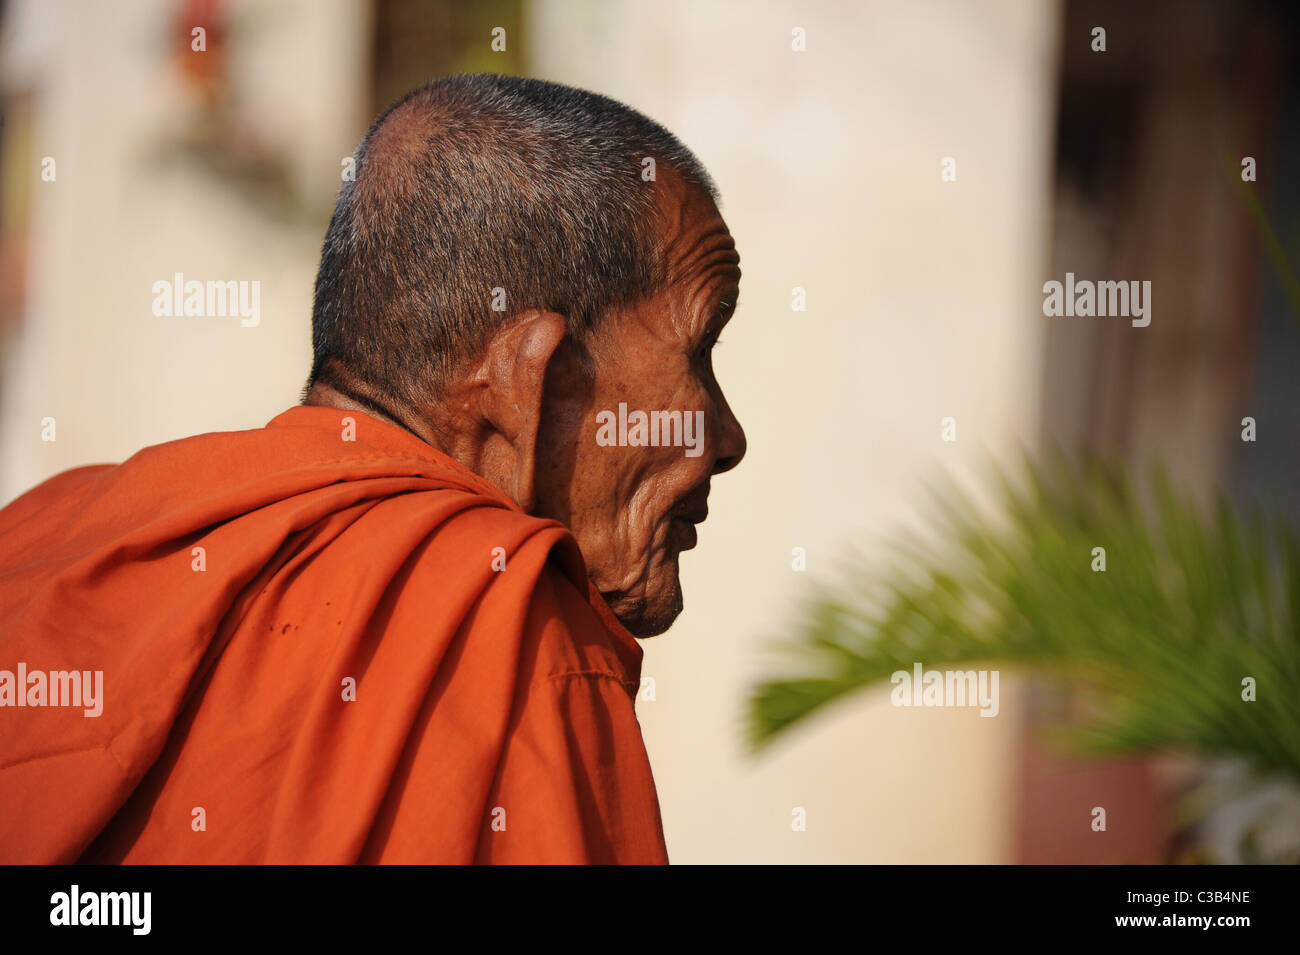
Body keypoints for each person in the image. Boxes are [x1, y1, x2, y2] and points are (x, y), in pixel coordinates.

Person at [0, 73, 745, 863]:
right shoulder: (512, 647)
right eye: (700, 351)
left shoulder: (43, 539)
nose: (728, 438)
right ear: (535, 382)